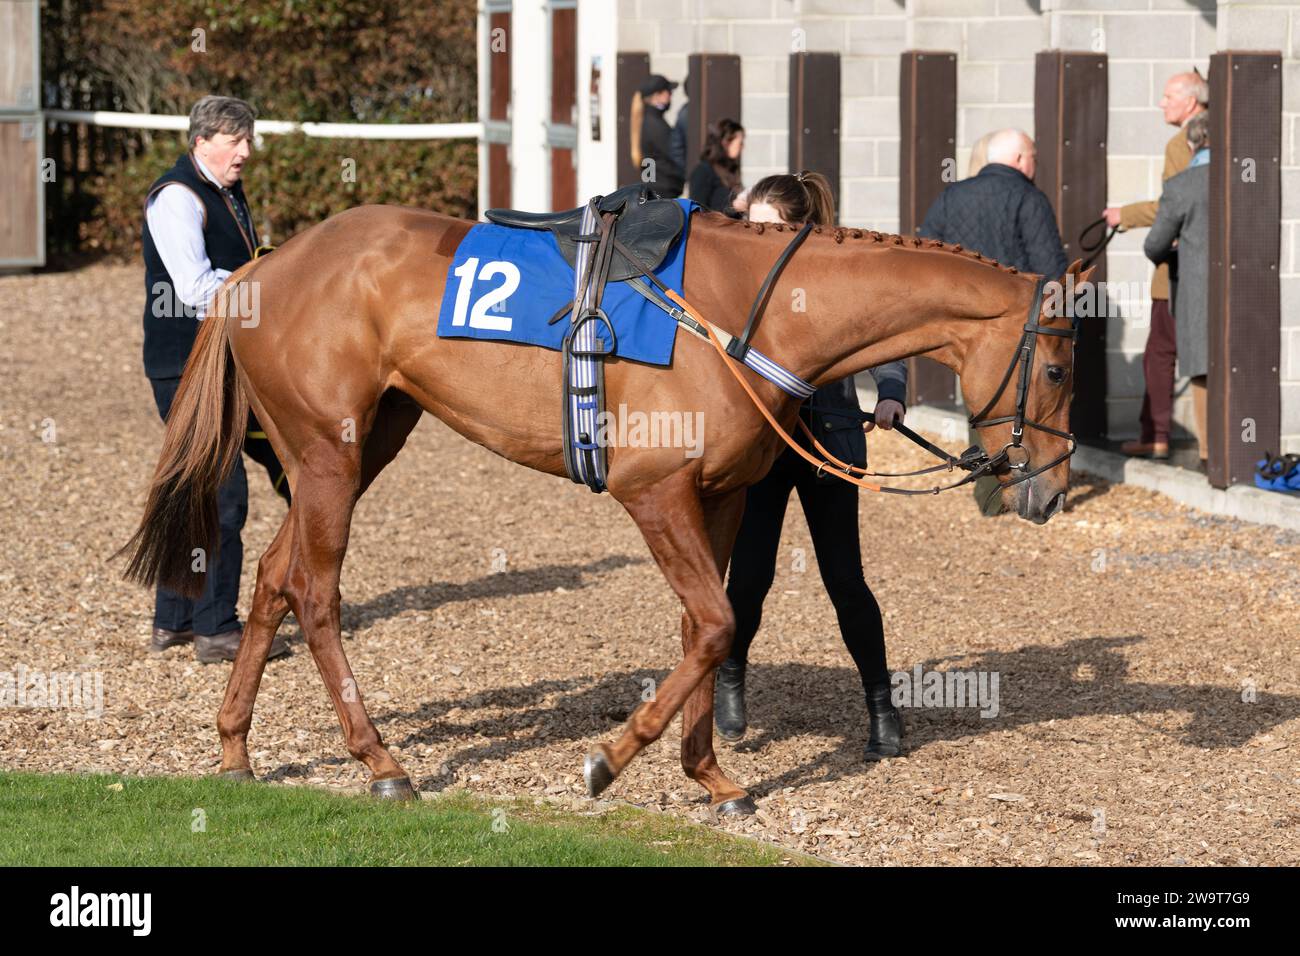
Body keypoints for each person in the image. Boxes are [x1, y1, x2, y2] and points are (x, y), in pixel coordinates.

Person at [715, 170, 909, 761]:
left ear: (799, 229)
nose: (755, 237)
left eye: (768, 229)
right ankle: (730, 675)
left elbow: (888, 338)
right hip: (762, 441)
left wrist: (892, 391)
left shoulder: (835, 274)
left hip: (828, 438)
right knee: (749, 578)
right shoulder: (737, 276)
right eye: (752, 227)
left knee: (844, 579)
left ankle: (882, 705)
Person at [141, 94, 291, 663]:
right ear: (201, 142)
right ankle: (216, 628)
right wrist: (275, 290)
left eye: (248, 140)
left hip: (212, 363)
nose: (245, 152)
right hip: (184, 366)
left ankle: (173, 619)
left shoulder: (224, 190)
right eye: (234, 141)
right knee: (224, 496)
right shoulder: (178, 198)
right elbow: (198, 289)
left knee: (192, 486)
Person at [918, 128, 1068, 516]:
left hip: (965, 327)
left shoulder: (951, 196)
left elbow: (925, 254)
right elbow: (1051, 271)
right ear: (1020, 159)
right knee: (1022, 407)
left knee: (979, 407)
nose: (1035, 166)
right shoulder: (1029, 198)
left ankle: (988, 496)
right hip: (1018, 329)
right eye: (1033, 157)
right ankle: (1033, 486)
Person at [1104, 70, 1208, 461]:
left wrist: (1123, 214)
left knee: (1160, 352)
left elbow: (1175, 202)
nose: (1161, 103)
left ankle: (1157, 435)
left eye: (1168, 96)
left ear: (1191, 102)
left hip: (1179, 270)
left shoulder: (1182, 142)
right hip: (1201, 267)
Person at [1144, 112, 1210, 470]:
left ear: (1191, 145)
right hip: (1248, 294)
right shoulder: (1248, 179)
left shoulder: (1183, 185)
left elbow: (1154, 245)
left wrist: (1173, 246)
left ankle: (1209, 453)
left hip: (1196, 291)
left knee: (1203, 369)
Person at [629, 74, 685, 197]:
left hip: (654, 190)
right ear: (657, 96)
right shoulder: (656, 124)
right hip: (664, 192)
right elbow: (675, 155)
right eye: (669, 92)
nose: (671, 95)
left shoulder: (646, 120)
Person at [686, 118, 746, 215]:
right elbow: (698, 212)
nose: (743, 147)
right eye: (740, 143)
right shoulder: (703, 171)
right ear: (726, 142)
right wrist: (733, 207)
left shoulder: (731, 169)